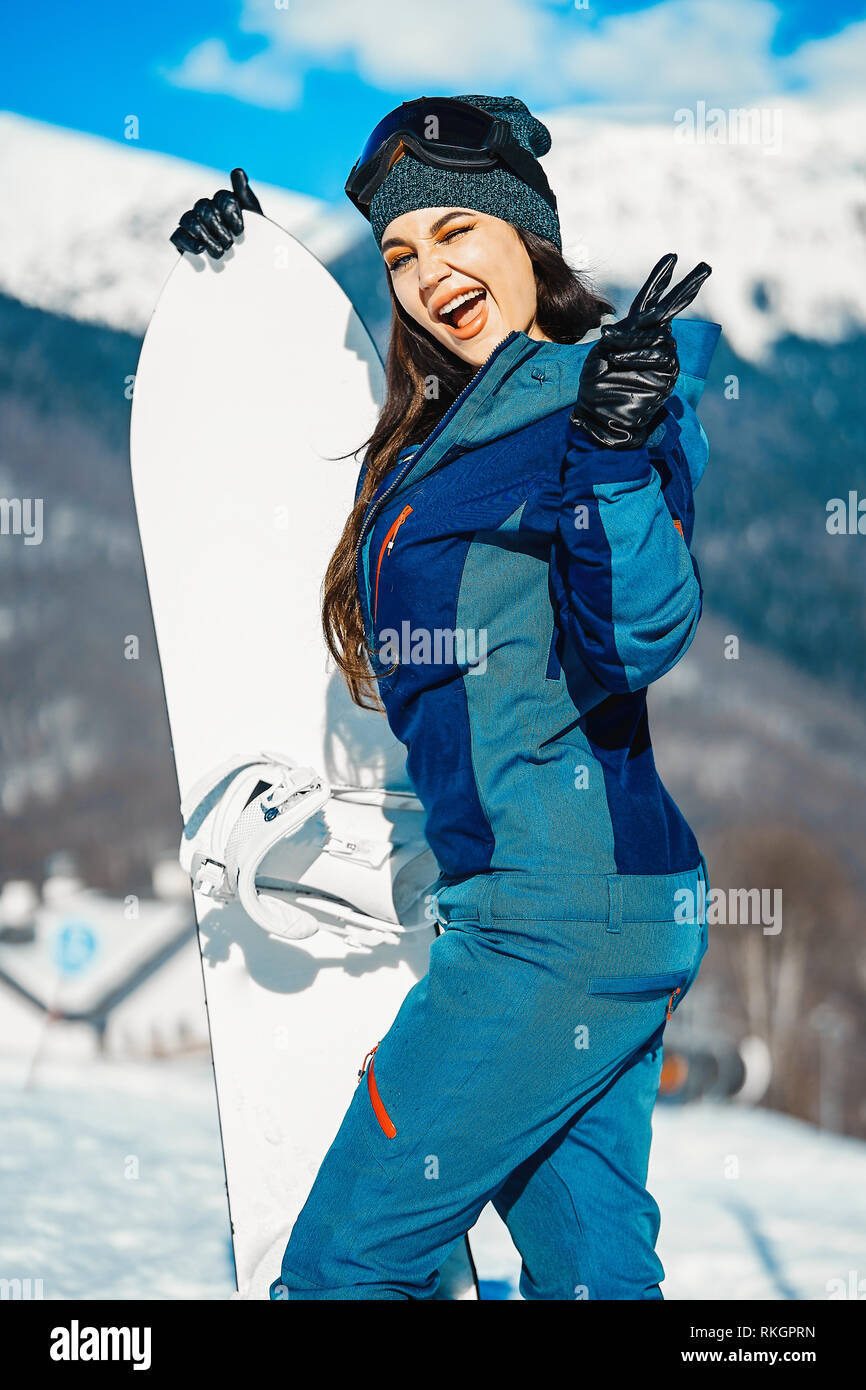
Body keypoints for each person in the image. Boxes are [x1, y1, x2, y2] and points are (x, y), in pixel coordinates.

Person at [171, 94, 716, 1301]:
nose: (428, 273)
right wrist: (240, 289)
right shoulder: (438, 429)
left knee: (346, 1266)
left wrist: (613, 454)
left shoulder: (600, 400)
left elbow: (636, 634)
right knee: (591, 1276)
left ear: (529, 236)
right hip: (595, 906)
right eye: (400, 254)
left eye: (458, 230)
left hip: (549, 919)